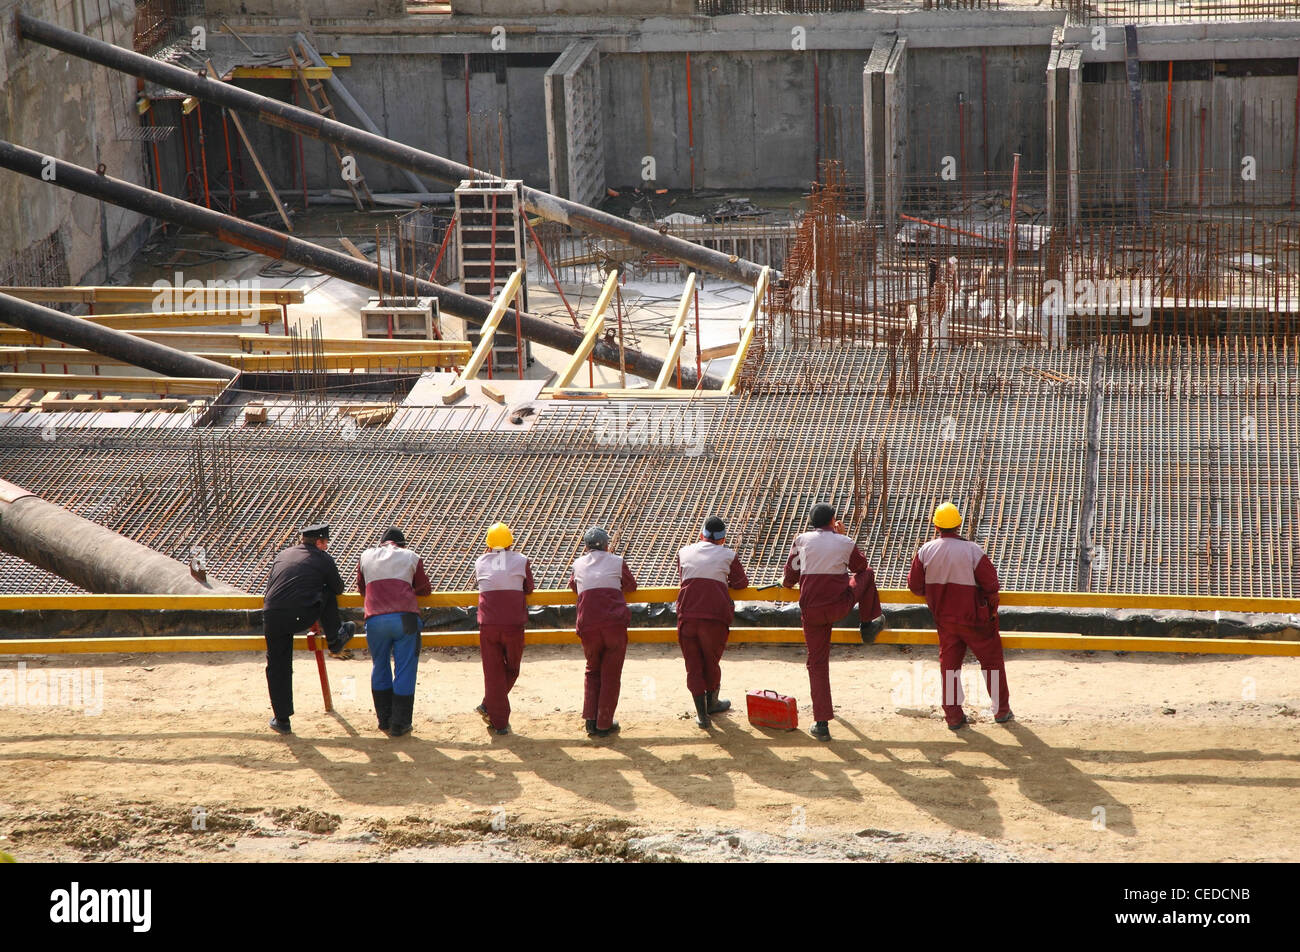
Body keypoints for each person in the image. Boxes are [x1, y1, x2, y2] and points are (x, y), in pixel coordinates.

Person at [783, 503, 884, 742]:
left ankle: (821, 722)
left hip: (812, 611)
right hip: (839, 606)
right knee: (868, 573)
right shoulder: (844, 542)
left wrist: (789, 583)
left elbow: (789, 578)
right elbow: (860, 568)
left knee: (817, 664)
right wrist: (843, 537)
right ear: (833, 521)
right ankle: (868, 622)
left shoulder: (800, 541)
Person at [907, 502, 1012, 730]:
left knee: (950, 667)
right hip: (976, 620)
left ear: (935, 525)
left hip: (945, 620)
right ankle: (1001, 710)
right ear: (959, 524)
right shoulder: (972, 550)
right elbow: (991, 584)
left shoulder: (925, 551)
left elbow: (915, 586)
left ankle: (953, 716)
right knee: (992, 663)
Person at [261, 523, 353, 735]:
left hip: (272, 615)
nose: (327, 546)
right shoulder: (322, 558)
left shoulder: (282, 555)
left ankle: (281, 719)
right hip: (299, 615)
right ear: (320, 542)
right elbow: (338, 588)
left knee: (277, 665)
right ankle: (335, 640)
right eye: (326, 543)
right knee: (327, 591)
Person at [356, 527, 432, 737]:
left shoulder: (365, 556)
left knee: (379, 665)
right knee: (405, 668)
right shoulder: (411, 557)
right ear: (402, 544)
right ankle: (400, 723)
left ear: (382, 542)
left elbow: (362, 589)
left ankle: (384, 720)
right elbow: (425, 588)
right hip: (405, 618)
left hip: (375, 619)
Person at [675, 516, 749, 730]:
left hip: (688, 616)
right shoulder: (729, 555)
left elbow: (683, 577)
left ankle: (701, 715)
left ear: (701, 535)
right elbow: (741, 583)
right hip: (715, 617)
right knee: (711, 661)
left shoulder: (683, 552)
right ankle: (712, 703)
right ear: (723, 539)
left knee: (693, 665)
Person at [567, 526, 638, 738]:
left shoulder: (577, 564)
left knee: (592, 670)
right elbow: (631, 586)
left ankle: (590, 721)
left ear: (586, 547)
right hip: (613, 626)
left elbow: (573, 586)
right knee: (611, 674)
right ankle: (604, 723)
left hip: (588, 626)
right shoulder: (617, 561)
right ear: (608, 545)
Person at [473, 521, 534, 736]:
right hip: (513, 624)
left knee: (492, 673)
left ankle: (493, 712)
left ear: (488, 544)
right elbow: (529, 587)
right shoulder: (521, 560)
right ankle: (495, 716)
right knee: (512, 668)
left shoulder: (480, 561)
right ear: (510, 542)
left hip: (488, 625)